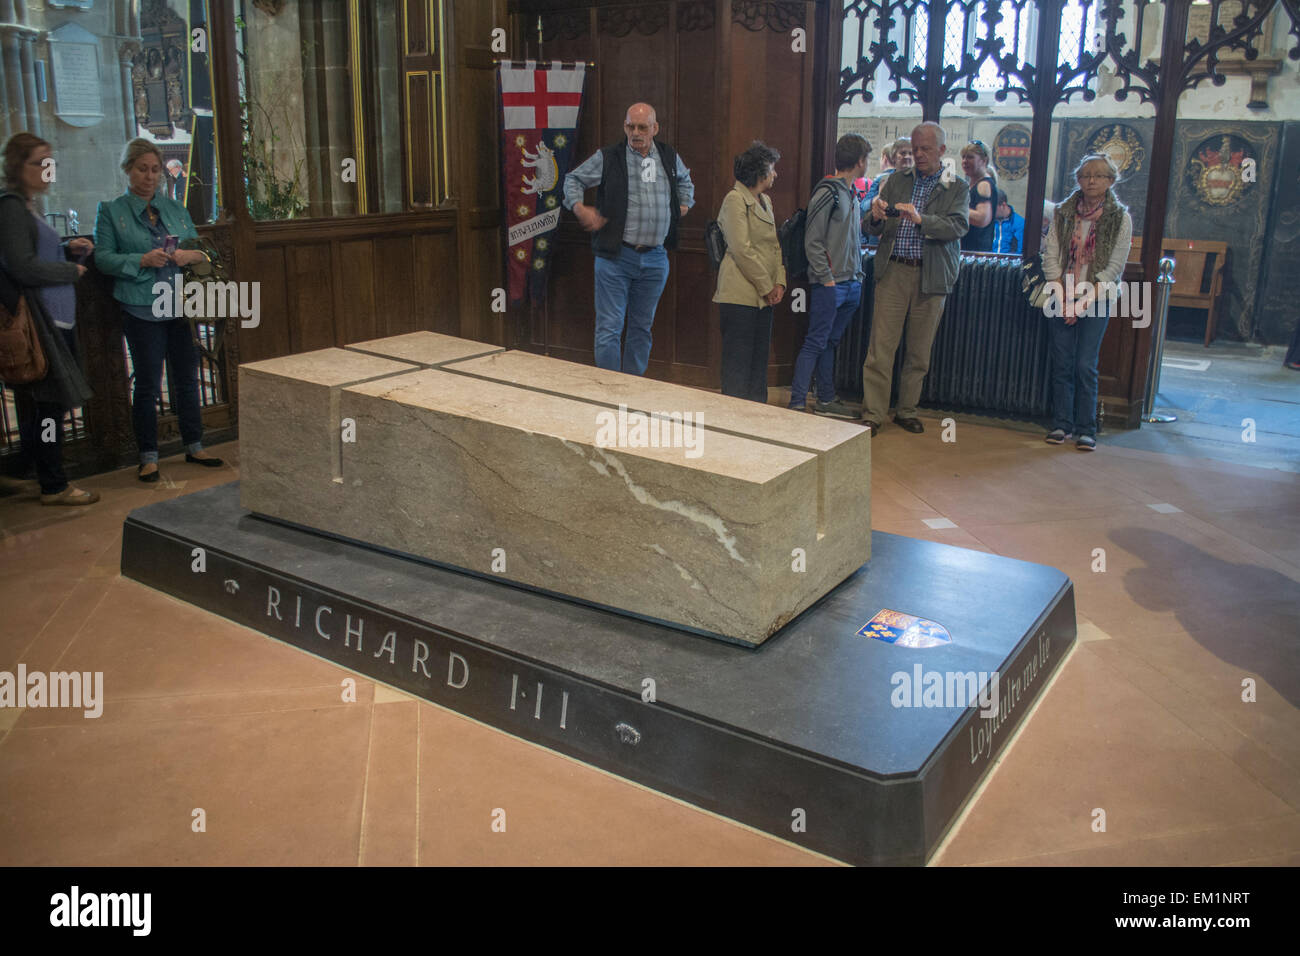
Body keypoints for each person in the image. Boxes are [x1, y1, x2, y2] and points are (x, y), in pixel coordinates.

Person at [94, 138, 223, 482]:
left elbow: (202, 250)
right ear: (127, 170)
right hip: (140, 307)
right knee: (149, 383)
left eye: (154, 170)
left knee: (186, 378)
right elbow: (103, 258)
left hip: (179, 305)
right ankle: (148, 456)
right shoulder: (111, 211)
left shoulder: (174, 209)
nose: (150, 177)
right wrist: (140, 259)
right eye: (142, 169)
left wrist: (187, 255)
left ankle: (195, 445)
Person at [0, 133, 98, 505]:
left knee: (45, 407)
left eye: (49, 161)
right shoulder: (10, 206)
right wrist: (67, 272)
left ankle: (24, 470)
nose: (46, 169)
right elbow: (21, 266)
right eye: (39, 162)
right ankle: (53, 483)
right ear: (17, 167)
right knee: (48, 409)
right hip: (40, 321)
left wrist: (65, 249)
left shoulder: (29, 205)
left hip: (56, 317)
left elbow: (34, 252)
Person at [562, 103, 695, 375]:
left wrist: (683, 204)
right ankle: (610, 394)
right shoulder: (609, 156)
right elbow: (572, 180)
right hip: (616, 258)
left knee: (641, 328)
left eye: (642, 127)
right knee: (610, 327)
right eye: (630, 126)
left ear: (654, 129)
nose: (635, 132)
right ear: (624, 127)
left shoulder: (669, 156)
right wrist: (579, 207)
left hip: (656, 258)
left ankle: (633, 392)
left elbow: (686, 182)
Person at [861, 122, 970, 435]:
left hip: (931, 274)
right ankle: (873, 414)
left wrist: (923, 220)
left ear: (941, 151)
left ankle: (907, 410)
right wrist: (876, 216)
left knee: (919, 351)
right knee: (880, 348)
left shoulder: (956, 186)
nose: (918, 155)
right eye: (915, 149)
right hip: (893, 270)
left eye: (925, 149)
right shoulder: (897, 179)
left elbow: (958, 226)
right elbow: (872, 226)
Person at [1042, 153, 1133, 451]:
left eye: (1099, 176)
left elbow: (1114, 267)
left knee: (1085, 364)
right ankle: (1061, 423)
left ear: (1110, 181)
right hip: (1062, 291)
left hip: (1097, 295)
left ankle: (1086, 428)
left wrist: (1081, 302)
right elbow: (1051, 252)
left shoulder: (1120, 217)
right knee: (1062, 361)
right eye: (1085, 175)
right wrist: (1060, 290)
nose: (1091, 181)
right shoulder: (1064, 212)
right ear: (1078, 180)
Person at [788, 133, 871, 417]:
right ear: (860, 161)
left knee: (829, 342)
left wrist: (855, 278)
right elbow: (813, 240)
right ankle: (797, 402)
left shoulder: (851, 192)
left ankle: (825, 399)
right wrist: (826, 278)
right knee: (815, 340)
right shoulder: (828, 191)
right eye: (866, 159)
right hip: (831, 283)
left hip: (851, 282)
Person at [713, 141, 785, 402]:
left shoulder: (765, 201)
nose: (775, 174)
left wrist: (780, 283)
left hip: (765, 298)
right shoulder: (734, 200)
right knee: (738, 365)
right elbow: (741, 249)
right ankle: (734, 426)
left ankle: (758, 418)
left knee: (758, 364)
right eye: (772, 169)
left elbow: (775, 246)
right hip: (739, 295)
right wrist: (767, 287)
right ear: (760, 171)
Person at [864, 137, 912, 248]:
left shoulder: (920, 183)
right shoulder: (884, 180)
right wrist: (878, 199)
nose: (907, 157)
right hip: (883, 243)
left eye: (911, 153)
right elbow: (863, 207)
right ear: (894, 157)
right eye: (903, 153)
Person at [959, 141, 997, 252]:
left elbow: (982, 218)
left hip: (976, 254)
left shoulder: (983, 185)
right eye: (963, 157)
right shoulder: (975, 184)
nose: (965, 161)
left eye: (970, 157)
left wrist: (954, 208)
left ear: (983, 161)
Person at [992, 190, 1025, 254]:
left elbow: (1019, 251)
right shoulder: (988, 221)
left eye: (993, 208)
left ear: (1003, 205)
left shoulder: (1019, 224)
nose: (991, 211)